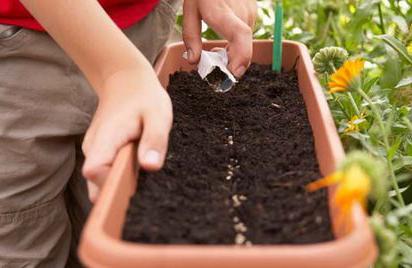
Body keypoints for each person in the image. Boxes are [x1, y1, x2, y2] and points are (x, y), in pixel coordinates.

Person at [0, 0, 256, 266]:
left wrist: (124, 71)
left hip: (142, 30)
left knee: (112, 225)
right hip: (18, 50)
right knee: (23, 243)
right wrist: (119, 70)